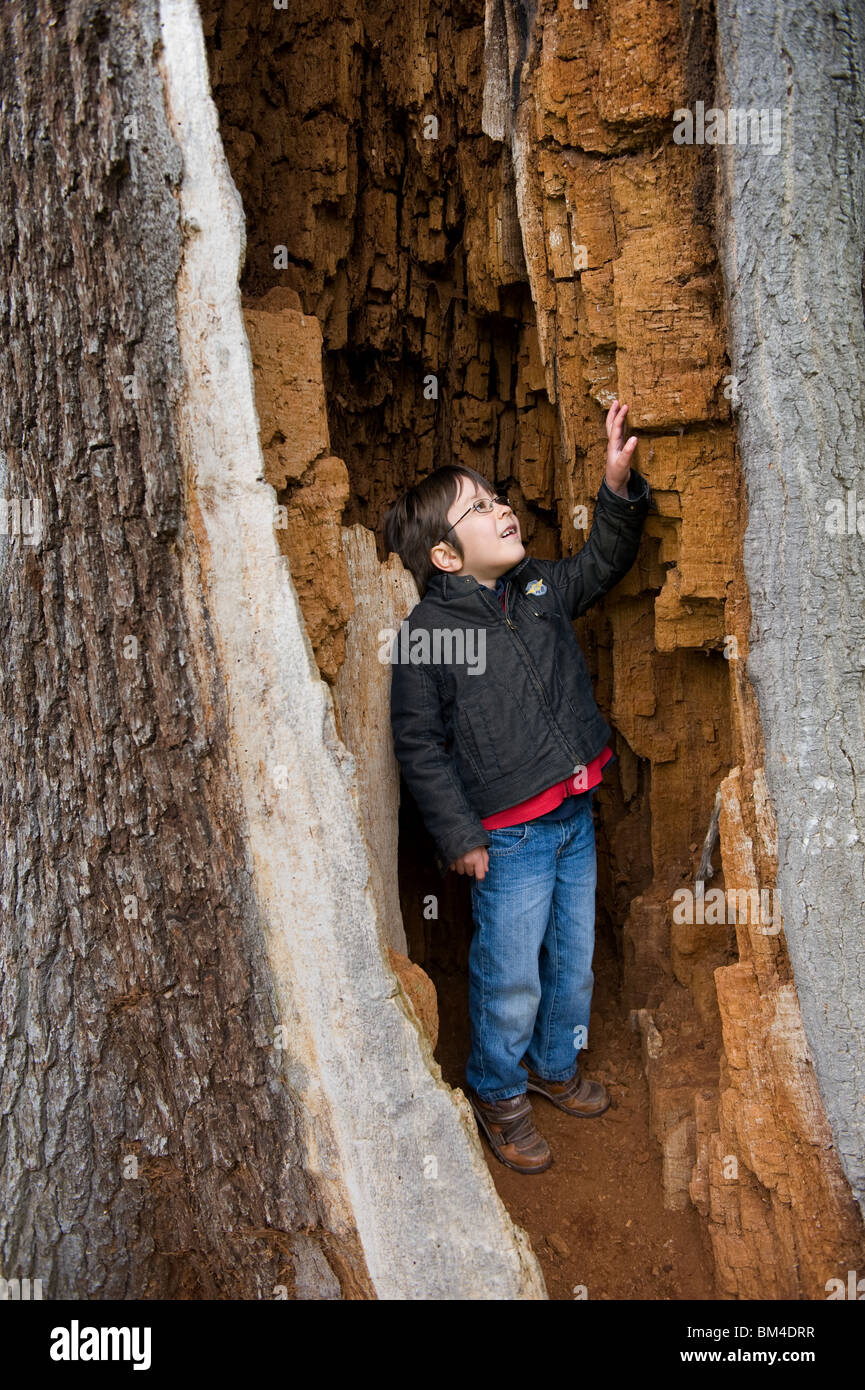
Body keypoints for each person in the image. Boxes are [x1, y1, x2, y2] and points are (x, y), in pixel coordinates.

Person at [384, 401, 651, 1174]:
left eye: (496, 497)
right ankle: (497, 1090)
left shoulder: (537, 589)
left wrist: (614, 486)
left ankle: (552, 1067)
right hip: (508, 837)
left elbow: (601, 562)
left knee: (572, 960)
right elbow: (419, 747)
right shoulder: (428, 638)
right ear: (443, 557)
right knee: (510, 973)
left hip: (573, 815)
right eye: (479, 508)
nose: (501, 509)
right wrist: (459, 835)